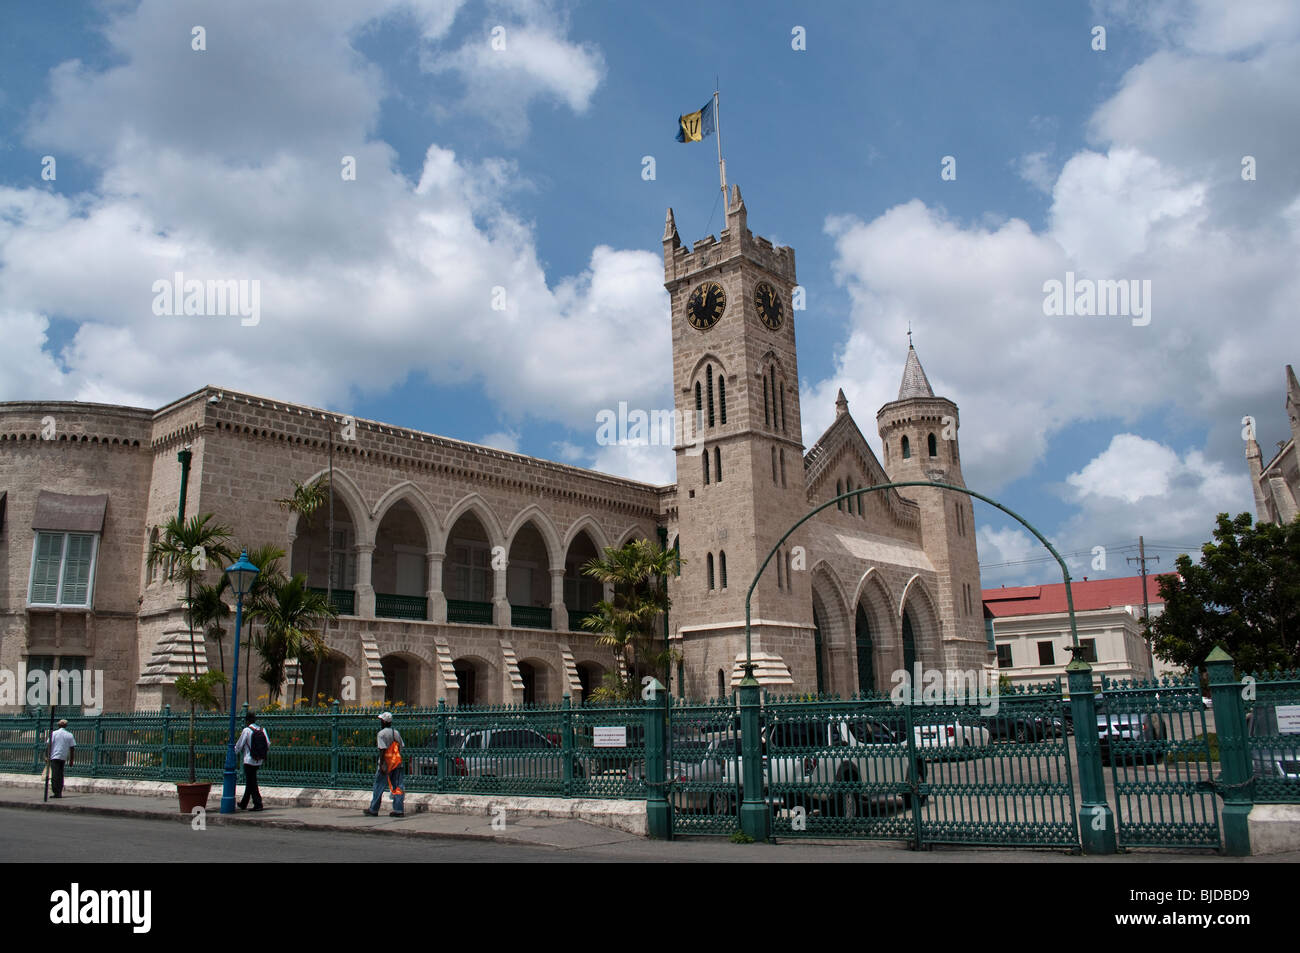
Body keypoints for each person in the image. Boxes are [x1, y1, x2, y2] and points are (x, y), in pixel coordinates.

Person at [365, 711, 404, 817]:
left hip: (386, 765)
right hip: (396, 764)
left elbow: (382, 750)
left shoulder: (381, 734)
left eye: (381, 720)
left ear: (384, 722)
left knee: (379, 786)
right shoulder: (396, 732)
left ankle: (374, 809)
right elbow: (400, 747)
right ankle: (398, 810)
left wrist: (382, 764)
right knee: (398, 787)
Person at [233, 710, 269, 811]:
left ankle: (258, 803)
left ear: (247, 721)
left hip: (249, 759)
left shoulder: (247, 730)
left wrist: (234, 752)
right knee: (250, 781)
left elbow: (239, 745)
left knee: (252, 782)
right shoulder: (262, 729)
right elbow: (268, 743)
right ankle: (244, 803)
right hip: (258, 759)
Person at [47, 719, 76, 798]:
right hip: (63, 757)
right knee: (60, 774)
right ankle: (59, 791)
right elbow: (72, 748)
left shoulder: (54, 734)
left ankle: (56, 792)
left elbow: (49, 745)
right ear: (66, 726)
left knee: (55, 775)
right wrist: (71, 760)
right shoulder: (69, 735)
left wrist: (47, 756)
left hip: (54, 756)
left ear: (58, 725)